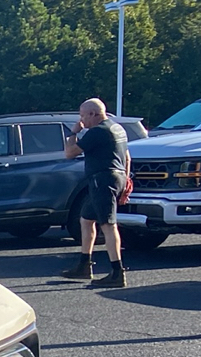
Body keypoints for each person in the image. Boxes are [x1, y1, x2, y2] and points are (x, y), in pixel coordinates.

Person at [61, 98, 130, 288]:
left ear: (93, 114)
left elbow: (70, 153)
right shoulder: (117, 128)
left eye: (83, 115)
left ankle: (117, 272)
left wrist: (74, 133)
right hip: (114, 177)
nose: (81, 120)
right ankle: (84, 265)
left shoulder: (98, 131)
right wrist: (126, 179)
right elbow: (126, 156)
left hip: (103, 180)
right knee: (86, 219)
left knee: (108, 224)